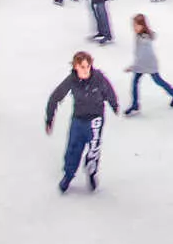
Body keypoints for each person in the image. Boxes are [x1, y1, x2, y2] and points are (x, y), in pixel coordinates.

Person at [45, 50, 121, 192]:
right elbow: (55, 97)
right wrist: (49, 119)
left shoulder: (98, 78)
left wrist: (114, 104)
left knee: (94, 148)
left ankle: (92, 172)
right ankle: (68, 174)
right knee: (73, 149)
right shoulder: (71, 80)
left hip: (95, 119)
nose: (86, 70)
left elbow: (109, 91)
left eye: (87, 66)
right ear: (75, 67)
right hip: (78, 119)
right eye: (82, 67)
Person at [124, 13, 173, 113]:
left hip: (147, 64)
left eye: (136, 26)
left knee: (154, 81)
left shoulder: (143, 40)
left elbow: (142, 57)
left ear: (142, 26)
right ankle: (135, 104)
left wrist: (133, 67)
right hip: (144, 64)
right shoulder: (141, 36)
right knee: (152, 81)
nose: (134, 28)